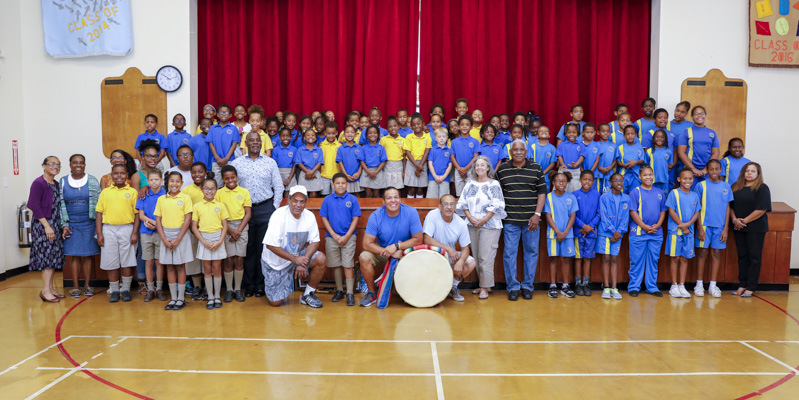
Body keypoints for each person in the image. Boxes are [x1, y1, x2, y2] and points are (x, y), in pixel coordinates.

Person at [230, 131, 284, 297]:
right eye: (251, 140)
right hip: (243, 211)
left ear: (261, 143)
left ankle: (261, 284)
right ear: (245, 143)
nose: (254, 143)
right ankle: (249, 284)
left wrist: (273, 208)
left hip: (265, 209)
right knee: (246, 249)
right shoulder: (237, 163)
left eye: (257, 140)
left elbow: (279, 187)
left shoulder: (270, 162)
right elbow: (231, 186)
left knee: (263, 248)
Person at [496, 139, 547, 301]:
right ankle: (512, 287)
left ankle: (527, 286)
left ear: (526, 152)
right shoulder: (503, 169)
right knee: (509, 253)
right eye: (515, 149)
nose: (518, 152)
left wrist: (537, 215)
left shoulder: (536, 168)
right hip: (510, 219)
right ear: (510, 152)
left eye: (521, 149)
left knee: (531, 253)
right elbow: (497, 194)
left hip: (531, 220)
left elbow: (542, 193)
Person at [262, 186, 327, 308]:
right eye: (295, 201)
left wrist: (302, 262)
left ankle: (308, 294)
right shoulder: (278, 215)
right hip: (276, 262)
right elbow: (270, 245)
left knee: (320, 258)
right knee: (276, 303)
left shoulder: (309, 216)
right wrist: (296, 260)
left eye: (302, 201)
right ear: (289, 201)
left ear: (306, 202)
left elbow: (315, 241)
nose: (298, 204)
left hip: (298, 255)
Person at [358, 187, 423, 307]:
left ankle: (396, 288)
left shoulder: (411, 212)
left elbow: (418, 239)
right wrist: (387, 251)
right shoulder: (376, 216)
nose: (393, 201)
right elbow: (366, 244)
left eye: (396, 197)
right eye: (389, 198)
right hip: (384, 252)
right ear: (383, 201)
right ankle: (372, 293)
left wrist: (397, 246)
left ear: (400, 199)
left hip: (405, 253)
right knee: (364, 257)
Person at [456, 156, 506, 299]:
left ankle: (485, 287)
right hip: (472, 225)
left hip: (490, 226)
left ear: (488, 167)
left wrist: (484, 219)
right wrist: (471, 218)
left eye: (482, 165)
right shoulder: (469, 184)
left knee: (486, 257)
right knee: (477, 257)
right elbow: (462, 203)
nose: (479, 168)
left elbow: (498, 205)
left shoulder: (494, 184)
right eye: (477, 165)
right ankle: (483, 285)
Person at [95, 164, 140, 303]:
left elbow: (137, 214)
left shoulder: (132, 192)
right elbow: (99, 214)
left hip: (127, 228)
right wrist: (100, 233)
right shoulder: (105, 192)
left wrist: (134, 233)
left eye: (122, 173)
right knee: (111, 260)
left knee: (127, 260)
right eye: (116, 173)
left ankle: (125, 289)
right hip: (108, 229)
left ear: (127, 175)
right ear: (111, 175)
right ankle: (114, 290)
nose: (119, 176)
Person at [59, 154, 100, 298]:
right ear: (70, 164)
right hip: (71, 224)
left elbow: (99, 205)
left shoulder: (93, 180)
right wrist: (64, 224)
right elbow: (60, 204)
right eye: (75, 162)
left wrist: (98, 226)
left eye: (81, 163)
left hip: (89, 222)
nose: (78, 165)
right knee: (74, 255)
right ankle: (75, 287)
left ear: (85, 165)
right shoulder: (63, 181)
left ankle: (88, 286)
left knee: (88, 255)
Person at [423, 194, 477, 302]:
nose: (449, 207)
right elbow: (426, 239)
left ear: (455, 207)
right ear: (440, 206)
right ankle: (437, 288)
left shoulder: (461, 223)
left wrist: (461, 261)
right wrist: (448, 248)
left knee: (471, 262)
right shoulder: (432, 215)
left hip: (449, 257)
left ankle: (452, 286)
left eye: (452, 204)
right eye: (446, 204)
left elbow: (465, 248)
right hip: (432, 255)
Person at [320, 173, 362, 306]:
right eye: (337, 183)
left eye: (343, 183)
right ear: (333, 185)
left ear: (347, 185)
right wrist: (334, 235)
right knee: (336, 265)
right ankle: (339, 290)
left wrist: (347, 236)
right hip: (332, 238)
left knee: (348, 265)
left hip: (349, 237)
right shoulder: (327, 200)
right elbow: (324, 218)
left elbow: (356, 218)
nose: (340, 185)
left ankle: (350, 293)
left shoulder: (352, 199)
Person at [730, 162, 771, 298]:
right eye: (747, 171)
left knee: (754, 257)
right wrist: (735, 220)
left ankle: (751, 286)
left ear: (758, 174)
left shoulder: (762, 188)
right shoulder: (736, 187)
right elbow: (730, 206)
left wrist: (744, 221)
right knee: (742, 256)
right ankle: (742, 284)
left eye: (753, 171)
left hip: (755, 228)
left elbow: (761, 209)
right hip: (738, 227)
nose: (749, 173)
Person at [693, 159, 733, 298]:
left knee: (716, 253)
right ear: (707, 170)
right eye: (711, 169)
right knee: (703, 252)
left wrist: (726, 228)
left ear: (720, 170)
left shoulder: (726, 186)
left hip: (720, 226)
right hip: (704, 225)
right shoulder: (700, 186)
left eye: (717, 169)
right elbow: (697, 207)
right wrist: (699, 227)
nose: (714, 171)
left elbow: (728, 207)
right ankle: (699, 284)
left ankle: (713, 285)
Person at [28, 156, 66, 302]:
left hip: (54, 225)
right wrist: (47, 226)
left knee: (53, 257)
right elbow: (34, 206)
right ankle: (45, 290)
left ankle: (50, 289)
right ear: (44, 165)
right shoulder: (38, 183)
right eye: (52, 164)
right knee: (47, 259)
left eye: (58, 165)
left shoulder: (55, 183)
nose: (55, 167)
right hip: (43, 225)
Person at [155, 171, 194, 310]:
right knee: (169, 266)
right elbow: (158, 220)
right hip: (166, 235)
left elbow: (188, 219)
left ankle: (181, 298)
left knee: (180, 266)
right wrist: (164, 239)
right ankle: (173, 298)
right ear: (167, 183)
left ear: (182, 183)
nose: (174, 184)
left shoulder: (185, 198)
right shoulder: (162, 199)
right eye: (172, 181)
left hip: (180, 235)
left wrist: (178, 239)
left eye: (178, 181)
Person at [627, 166, 667, 297]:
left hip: (656, 233)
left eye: (650, 174)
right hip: (638, 233)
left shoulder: (660, 192)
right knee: (636, 260)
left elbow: (662, 211)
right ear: (640, 177)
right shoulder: (635, 192)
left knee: (653, 260)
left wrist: (658, 225)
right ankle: (634, 286)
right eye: (645, 175)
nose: (648, 177)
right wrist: (644, 226)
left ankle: (651, 286)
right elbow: (633, 211)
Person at [191, 177, 229, 310]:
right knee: (207, 269)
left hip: (217, 238)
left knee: (217, 269)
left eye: (212, 188)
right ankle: (210, 296)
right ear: (201, 189)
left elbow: (225, 225)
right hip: (204, 239)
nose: (209, 191)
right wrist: (204, 241)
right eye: (206, 188)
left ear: (216, 190)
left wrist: (219, 241)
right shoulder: (197, 206)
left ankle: (217, 296)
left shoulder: (220, 206)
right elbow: (194, 226)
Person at [215, 165, 251, 303]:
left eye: (233, 177)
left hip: (241, 226)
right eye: (227, 178)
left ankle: (237, 289)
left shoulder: (244, 191)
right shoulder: (219, 193)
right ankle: (229, 289)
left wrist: (239, 230)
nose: (230, 180)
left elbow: (248, 213)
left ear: (237, 177)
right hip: (226, 226)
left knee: (239, 259)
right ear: (223, 179)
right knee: (229, 259)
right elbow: (218, 214)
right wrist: (230, 230)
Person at [665, 168, 701, 298]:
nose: (688, 181)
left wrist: (688, 225)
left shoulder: (695, 195)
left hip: (688, 232)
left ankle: (682, 285)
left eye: (690, 178)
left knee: (685, 258)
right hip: (676, 232)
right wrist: (682, 225)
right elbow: (671, 210)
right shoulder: (674, 193)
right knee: (675, 257)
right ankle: (673, 285)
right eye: (685, 178)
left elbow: (697, 212)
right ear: (679, 179)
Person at [544, 171, 579, 299]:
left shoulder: (571, 197)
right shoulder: (548, 197)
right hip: (553, 234)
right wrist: (558, 232)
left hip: (567, 235)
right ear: (553, 182)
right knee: (553, 259)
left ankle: (565, 286)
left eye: (564, 181)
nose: (561, 183)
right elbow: (548, 216)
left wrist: (565, 232)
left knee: (566, 260)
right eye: (558, 181)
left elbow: (572, 216)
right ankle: (552, 286)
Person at [135, 168, 166, 302]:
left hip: (160, 232)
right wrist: (151, 222)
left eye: (157, 179)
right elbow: (141, 215)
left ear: (162, 180)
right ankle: (150, 289)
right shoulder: (144, 194)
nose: (154, 182)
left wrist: (157, 224)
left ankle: (159, 288)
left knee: (159, 261)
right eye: (151, 180)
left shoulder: (165, 194)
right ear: (147, 181)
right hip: (146, 232)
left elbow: (168, 214)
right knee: (148, 261)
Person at [597, 173, 629, 300]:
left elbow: (626, 217)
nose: (619, 183)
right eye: (616, 181)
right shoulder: (604, 197)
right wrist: (612, 231)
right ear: (610, 183)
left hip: (618, 234)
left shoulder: (626, 198)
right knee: (606, 258)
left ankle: (614, 288)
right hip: (606, 233)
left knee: (614, 259)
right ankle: (606, 287)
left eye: (621, 181)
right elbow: (604, 217)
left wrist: (619, 232)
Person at [181, 162, 209, 300]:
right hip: (192, 230)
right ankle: (197, 286)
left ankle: (207, 286)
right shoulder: (186, 191)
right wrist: (192, 227)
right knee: (193, 258)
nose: (197, 175)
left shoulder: (210, 187)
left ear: (205, 172)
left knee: (207, 258)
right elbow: (184, 210)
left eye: (200, 172)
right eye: (194, 172)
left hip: (209, 230)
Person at [677, 105, 719, 189]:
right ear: (692, 117)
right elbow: (681, 153)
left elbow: (715, 152)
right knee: (691, 195)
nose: (699, 116)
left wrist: (706, 169)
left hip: (707, 171)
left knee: (706, 195)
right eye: (696, 114)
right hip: (690, 170)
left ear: (705, 115)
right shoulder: (686, 132)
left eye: (702, 113)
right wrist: (693, 169)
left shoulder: (712, 133)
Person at [572, 170, 600, 296]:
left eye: (589, 180)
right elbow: (573, 214)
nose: (587, 182)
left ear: (593, 181)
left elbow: (599, 213)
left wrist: (590, 227)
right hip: (578, 231)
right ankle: (578, 284)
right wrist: (583, 226)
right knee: (578, 258)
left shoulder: (597, 195)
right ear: (580, 180)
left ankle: (585, 284)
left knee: (587, 258)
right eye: (584, 179)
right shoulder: (574, 194)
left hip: (591, 232)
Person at [208, 104, 240, 187]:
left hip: (230, 160)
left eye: (226, 112)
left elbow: (234, 144)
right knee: (217, 184)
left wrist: (226, 158)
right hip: (216, 161)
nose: (223, 114)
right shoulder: (213, 128)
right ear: (217, 114)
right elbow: (210, 143)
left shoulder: (233, 128)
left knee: (230, 183)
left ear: (230, 115)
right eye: (221, 112)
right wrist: (217, 158)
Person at [403, 114, 432, 198]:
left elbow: (426, 153)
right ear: (411, 127)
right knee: (411, 188)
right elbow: (407, 152)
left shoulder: (427, 137)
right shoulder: (409, 137)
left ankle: (419, 209)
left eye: (418, 124)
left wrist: (420, 166)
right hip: (411, 163)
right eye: (414, 125)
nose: (417, 126)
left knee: (420, 188)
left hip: (422, 163)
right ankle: (410, 208)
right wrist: (417, 166)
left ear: (423, 124)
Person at [450, 115, 480, 196]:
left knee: (470, 194)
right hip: (458, 170)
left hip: (470, 170)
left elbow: (476, 156)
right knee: (459, 195)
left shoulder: (475, 141)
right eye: (462, 125)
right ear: (459, 127)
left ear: (471, 127)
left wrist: (466, 169)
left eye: (467, 125)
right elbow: (452, 156)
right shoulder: (454, 142)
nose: (464, 127)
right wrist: (460, 169)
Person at [293, 129, 324, 198]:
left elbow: (320, 162)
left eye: (313, 135)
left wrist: (311, 172)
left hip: (315, 172)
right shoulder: (300, 149)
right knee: (303, 193)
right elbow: (299, 163)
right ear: (304, 138)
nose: (311, 136)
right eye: (308, 135)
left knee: (314, 193)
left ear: (316, 138)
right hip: (304, 172)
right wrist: (308, 172)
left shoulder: (319, 149)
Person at [336, 122, 364, 195]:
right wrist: (345, 174)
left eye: (352, 132)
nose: (350, 134)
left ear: (355, 135)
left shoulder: (359, 147)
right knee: (346, 195)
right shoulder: (340, 148)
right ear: (344, 135)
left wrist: (358, 173)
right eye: (347, 132)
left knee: (357, 195)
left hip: (357, 177)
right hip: (345, 177)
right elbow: (340, 163)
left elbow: (362, 162)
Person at [359, 125, 388, 198]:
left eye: (375, 133)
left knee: (376, 193)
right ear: (367, 135)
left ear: (378, 135)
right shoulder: (364, 147)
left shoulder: (381, 148)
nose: (372, 135)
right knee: (368, 193)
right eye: (370, 133)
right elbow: (362, 161)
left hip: (377, 171)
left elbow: (383, 162)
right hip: (366, 171)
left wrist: (376, 172)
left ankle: (377, 209)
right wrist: (368, 172)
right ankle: (369, 209)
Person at [555, 123, 584, 193]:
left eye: (574, 132)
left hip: (576, 171)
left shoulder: (580, 145)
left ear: (578, 133)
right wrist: (562, 164)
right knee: (562, 188)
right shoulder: (562, 145)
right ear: (565, 134)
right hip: (564, 170)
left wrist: (576, 164)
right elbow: (559, 156)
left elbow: (582, 156)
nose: (571, 134)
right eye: (569, 132)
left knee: (576, 189)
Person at [616, 125, 645, 194]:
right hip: (624, 174)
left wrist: (635, 162)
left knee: (634, 193)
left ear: (635, 135)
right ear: (624, 136)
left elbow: (642, 160)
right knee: (622, 193)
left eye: (632, 134)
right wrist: (624, 165)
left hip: (636, 175)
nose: (630, 136)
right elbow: (618, 161)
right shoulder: (620, 147)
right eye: (627, 134)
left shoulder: (639, 146)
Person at [380, 120, 406, 192]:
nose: (393, 128)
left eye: (395, 126)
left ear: (398, 127)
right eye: (390, 127)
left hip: (398, 166)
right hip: (387, 166)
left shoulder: (403, 140)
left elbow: (404, 157)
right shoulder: (383, 140)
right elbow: (380, 155)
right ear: (387, 129)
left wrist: (404, 171)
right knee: (387, 187)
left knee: (398, 187)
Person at [427, 128, 453, 198]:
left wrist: (444, 176)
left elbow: (450, 165)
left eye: (444, 136)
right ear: (435, 138)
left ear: (447, 138)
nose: (442, 138)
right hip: (433, 178)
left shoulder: (449, 151)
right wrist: (435, 176)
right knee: (431, 198)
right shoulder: (432, 150)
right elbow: (430, 164)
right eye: (439, 136)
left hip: (445, 179)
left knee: (444, 198)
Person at [272, 127, 297, 198]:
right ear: (280, 138)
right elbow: (274, 164)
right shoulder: (276, 149)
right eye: (283, 136)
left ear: (291, 138)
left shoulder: (294, 150)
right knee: (279, 192)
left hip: (290, 172)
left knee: (288, 193)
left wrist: (289, 179)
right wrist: (279, 179)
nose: (285, 138)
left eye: (287, 136)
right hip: (278, 172)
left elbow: (294, 165)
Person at [320, 122, 343, 196]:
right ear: (325, 133)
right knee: (324, 195)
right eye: (328, 133)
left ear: (336, 133)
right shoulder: (321, 145)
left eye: (333, 133)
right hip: (324, 175)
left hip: (337, 175)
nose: (331, 135)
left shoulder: (340, 146)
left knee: (336, 195)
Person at [595, 123, 617, 194]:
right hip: (598, 174)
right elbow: (593, 160)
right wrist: (600, 168)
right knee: (597, 193)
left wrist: (609, 168)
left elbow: (615, 159)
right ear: (598, 132)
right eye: (603, 131)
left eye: (607, 131)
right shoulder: (595, 145)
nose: (605, 133)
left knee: (607, 193)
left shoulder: (614, 146)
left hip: (609, 173)